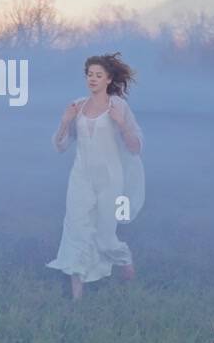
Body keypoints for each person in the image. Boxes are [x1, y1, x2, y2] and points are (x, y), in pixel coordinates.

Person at [47, 52, 145, 300]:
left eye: (98, 75)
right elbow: (60, 146)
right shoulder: (77, 106)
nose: (92, 79)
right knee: (76, 230)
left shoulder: (118, 107)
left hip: (110, 179)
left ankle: (124, 260)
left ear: (109, 79)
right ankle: (77, 297)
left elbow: (135, 147)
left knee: (104, 236)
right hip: (80, 178)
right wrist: (64, 121)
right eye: (89, 74)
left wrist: (121, 124)